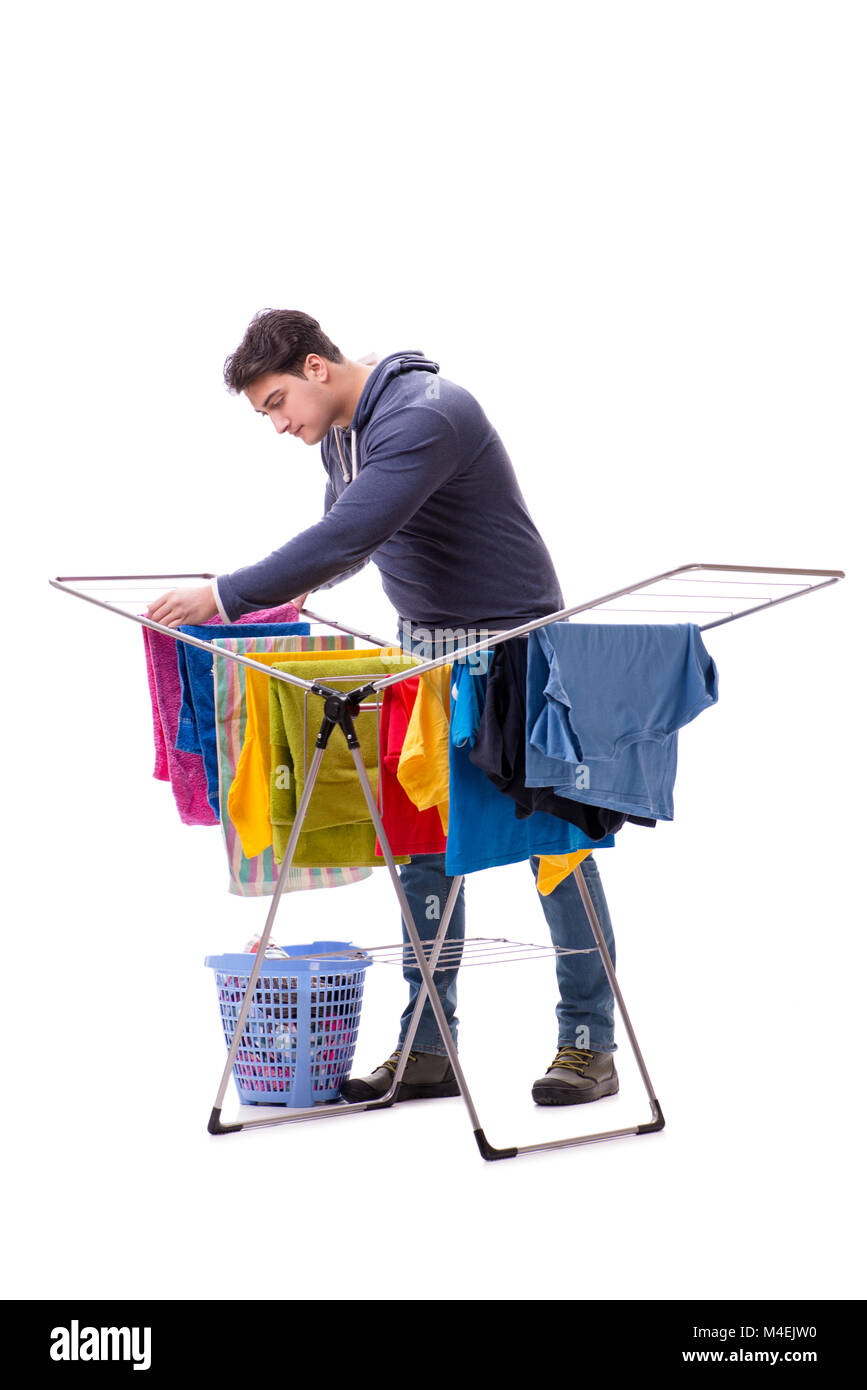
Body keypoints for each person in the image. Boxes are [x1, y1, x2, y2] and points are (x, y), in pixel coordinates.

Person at [149, 308, 620, 1107]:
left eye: (274, 403)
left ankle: (588, 1044)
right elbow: (351, 535)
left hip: (516, 648)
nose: (275, 424)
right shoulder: (342, 431)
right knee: (421, 842)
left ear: (315, 368)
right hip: (423, 651)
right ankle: (427, 1048)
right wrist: (292, 590)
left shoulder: (427, 414)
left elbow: (351, 529)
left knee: (554, 844)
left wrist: (223, 593)